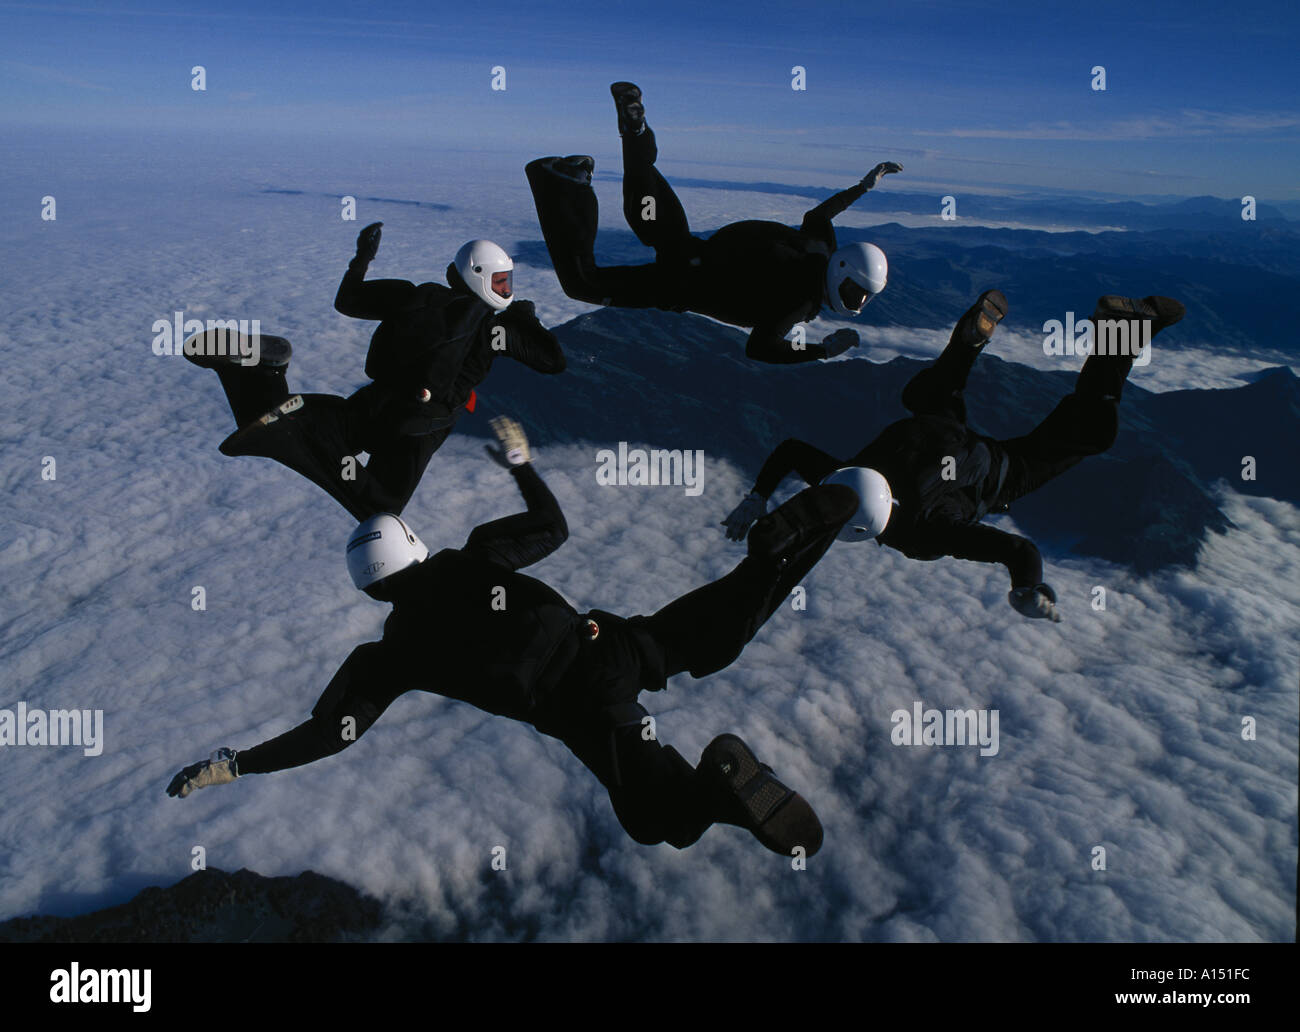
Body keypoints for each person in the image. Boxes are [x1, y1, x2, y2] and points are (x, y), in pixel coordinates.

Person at [167, 417, 859, 857]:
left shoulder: (388, 656)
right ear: (414, 544)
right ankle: (787, 543)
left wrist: (239, 762)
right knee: (723, 630)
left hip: (583, 705)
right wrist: (522, 464)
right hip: (611, 642)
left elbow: (332, 734)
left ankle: (717, 786)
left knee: (663, 822)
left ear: (370, 589)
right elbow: (554, 528)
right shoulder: (474, 556)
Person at [720, 291, 1186, 621]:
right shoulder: (843, 477)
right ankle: (965, 347)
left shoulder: (923, 533)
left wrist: (1028, 587)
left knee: (1092, 431)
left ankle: (1122, 333)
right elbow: (792, 450)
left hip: (995, 468)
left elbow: (1018, 549)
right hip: (931, 433)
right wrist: (757, 496)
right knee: (932, 397)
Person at [184, 225, 566, 520]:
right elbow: (553, 361)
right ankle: (301, 433)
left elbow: (347, 301)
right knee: (378, 508)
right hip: (414, 431)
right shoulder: (493, 330)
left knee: (271, 421)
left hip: (370, 407)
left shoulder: (413, 295)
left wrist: (362, 259)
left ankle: (264, 370)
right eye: (500, 282)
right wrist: (526, 319)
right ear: (478, 277)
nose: (505, 289)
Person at [525, 81, 902, 365]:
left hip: (686, 246)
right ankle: (567, 181)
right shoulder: (799, 301)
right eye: (857, 292)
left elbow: (818, 216)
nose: (858, 302)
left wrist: (862, 188)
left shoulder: (821, 247)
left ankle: (632, 134)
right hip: (676, 284)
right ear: (842, 272)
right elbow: (760, 348)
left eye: (864, 296)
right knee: (581, 283)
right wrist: (821, 351)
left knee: (645, 196)